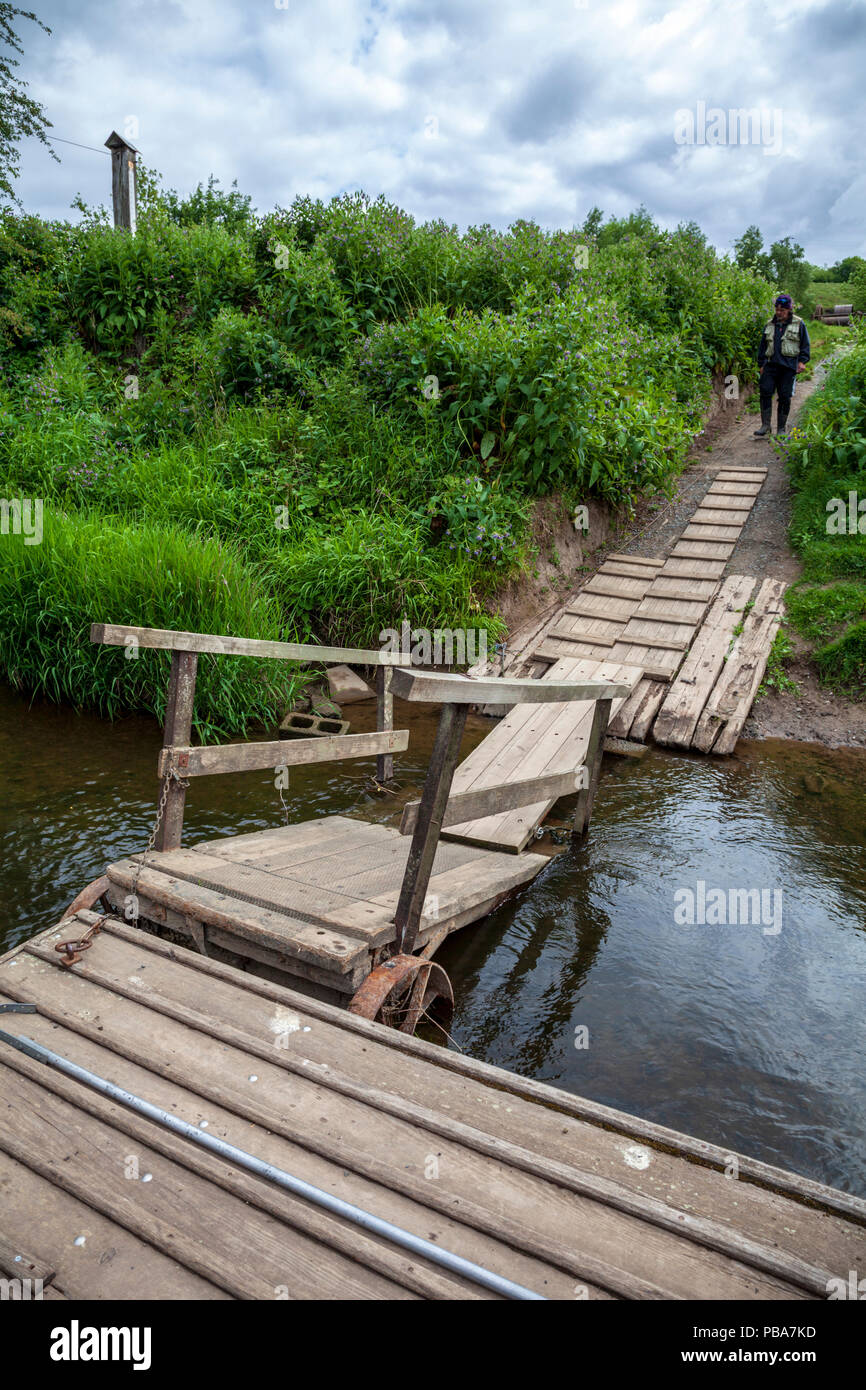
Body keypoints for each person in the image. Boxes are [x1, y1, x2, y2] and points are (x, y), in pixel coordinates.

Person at [754, 293, 810, 437]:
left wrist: (802, 362)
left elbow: (805, 345)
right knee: (765, 392)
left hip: (788, 367)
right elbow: (762, 346)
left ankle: (781, 429)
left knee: (784, 397)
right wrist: (761, 364)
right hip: (770, 366)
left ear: (789, 310)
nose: (779, 313)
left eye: (782, 310)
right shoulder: (769, 324)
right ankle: (765, 425)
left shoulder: (799, 324)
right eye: (777, 309)